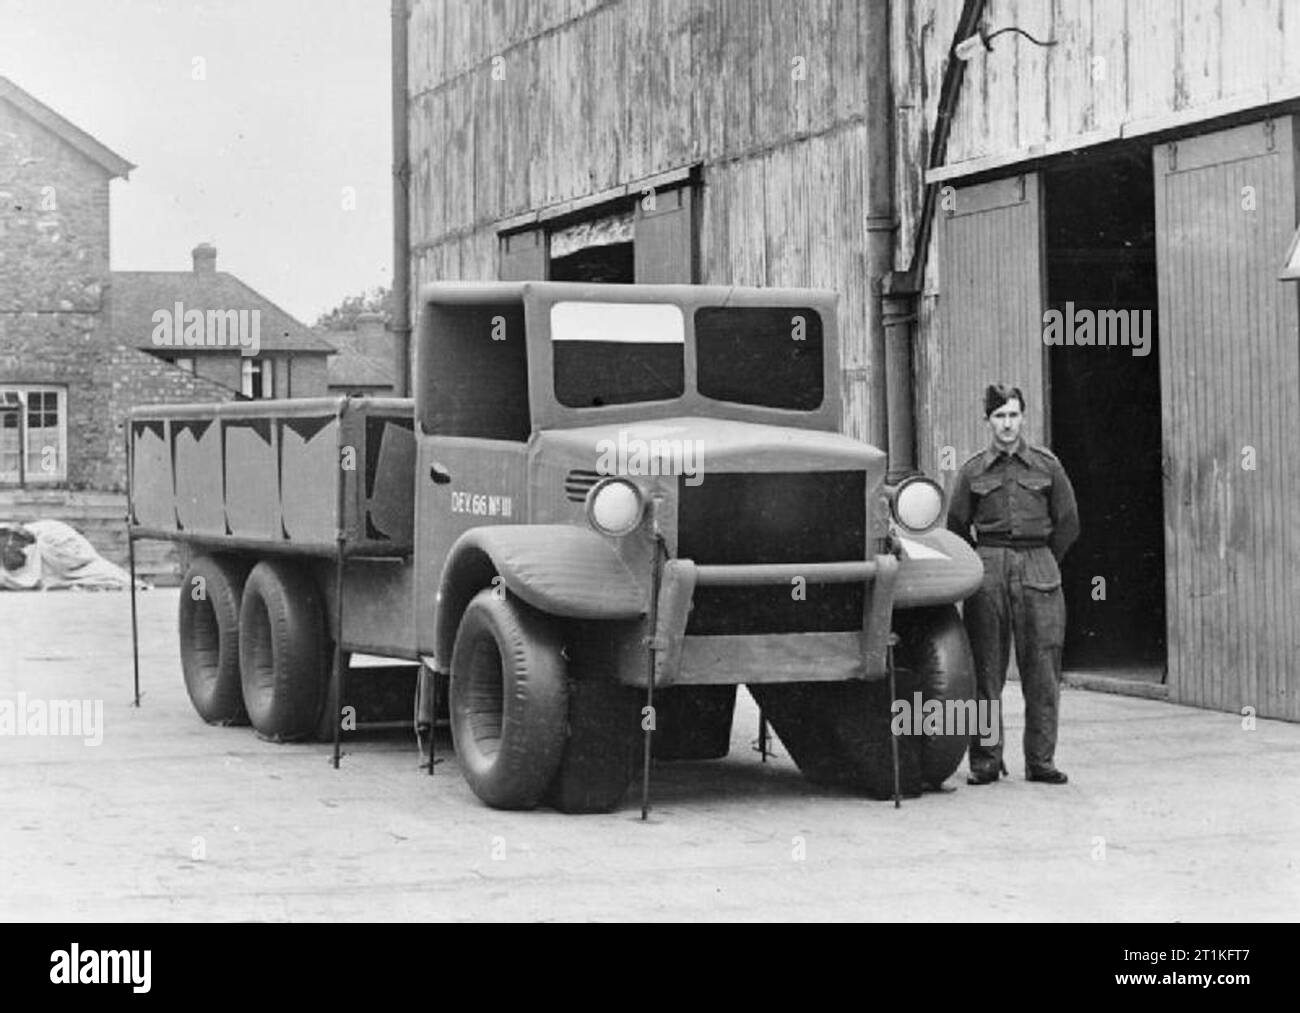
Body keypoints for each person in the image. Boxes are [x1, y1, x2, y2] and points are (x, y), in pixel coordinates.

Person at [946, 384, 1080, 785]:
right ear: (988, 421)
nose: (1007, 424)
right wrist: (985, 563)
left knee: (1042, 672)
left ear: (1024, 417)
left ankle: (1041, 762)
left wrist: (1042, 560)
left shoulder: (1047, 466)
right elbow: (955, 526)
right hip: (988, 567)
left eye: (1014, 415)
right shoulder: (972, 470)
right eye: (999, 416)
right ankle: (986, 762)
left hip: (1039, 566)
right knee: (986, 673)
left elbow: (1069, 522)